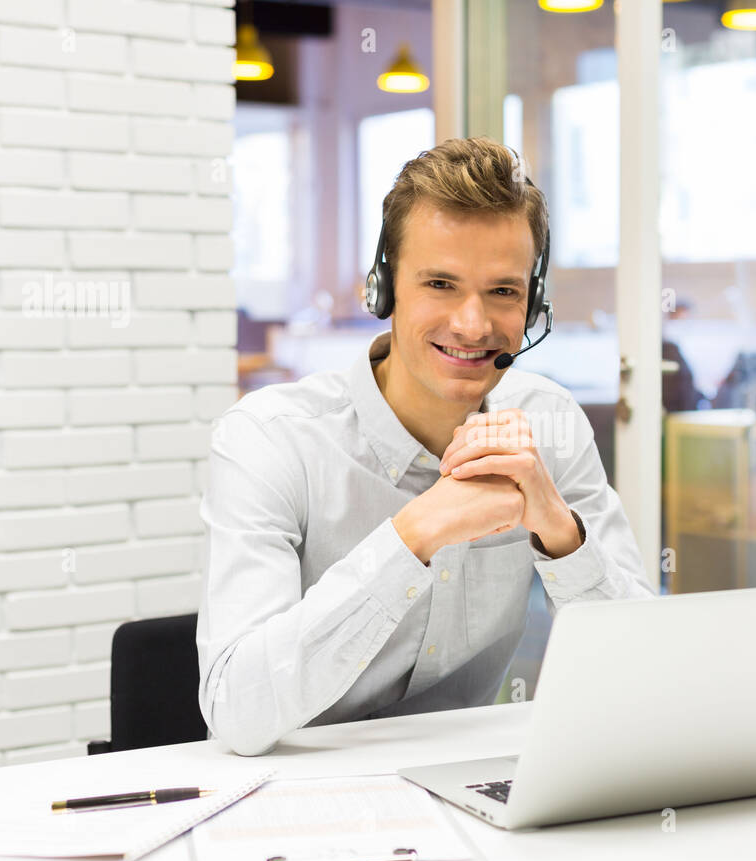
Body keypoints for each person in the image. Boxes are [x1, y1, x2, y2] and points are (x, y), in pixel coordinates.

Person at [196, 137, 655, 756]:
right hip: (299, 791)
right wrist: (413, 536)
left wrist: (559, 532)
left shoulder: (550, 423)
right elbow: (236, 711)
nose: (472, 324)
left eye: (503, 291)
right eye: (440, 283)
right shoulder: (270, 439)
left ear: (533, 304)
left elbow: (640, 670)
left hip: (469, 787)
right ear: (384, 290)